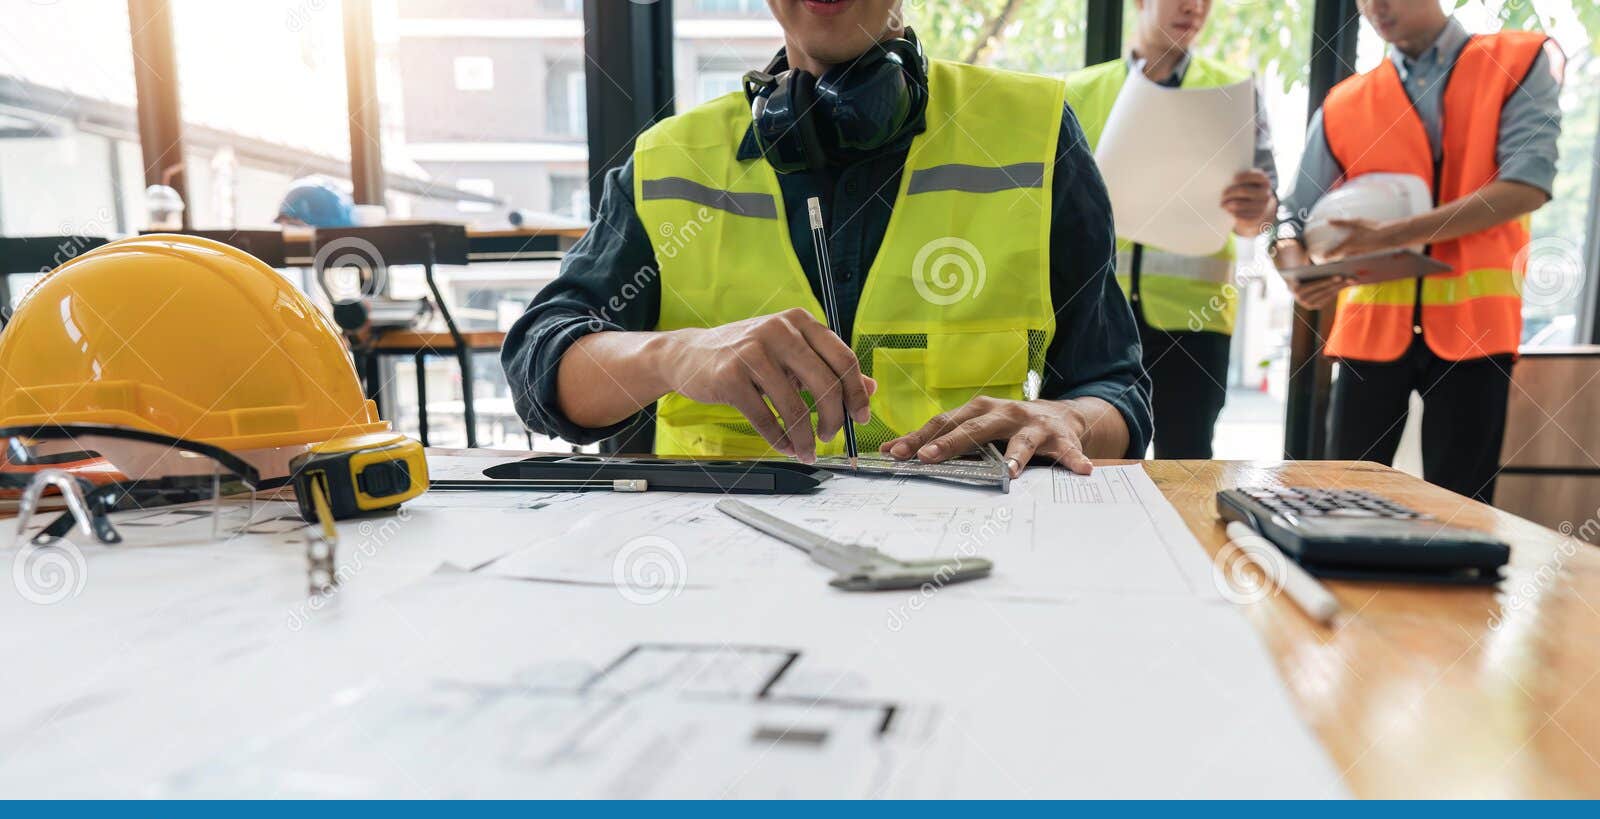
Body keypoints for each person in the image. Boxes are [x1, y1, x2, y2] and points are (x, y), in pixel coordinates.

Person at [501, 0, 1151, 476]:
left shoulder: (1032, 132)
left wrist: (1067, 421)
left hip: (961, 565)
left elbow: (1117, 393)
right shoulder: (672, 160)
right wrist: (676, 355)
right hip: (719, 576)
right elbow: (539, 370)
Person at [1273, 0, 1563, 502]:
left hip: (1476, 333)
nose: (1374, 7)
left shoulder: (1517, 61)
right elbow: (1293, 217)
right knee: (1339, 503)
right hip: (1371, 333)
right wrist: (1294, 268)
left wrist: (1388, 235)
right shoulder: (1345, 102)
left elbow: (1526, 185)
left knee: (1465, 512)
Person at [1064, 0, 1278, 459]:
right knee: (1091, 465)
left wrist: (1255, 210)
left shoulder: (1236, 92)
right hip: (1095, 320)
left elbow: (1259, 222)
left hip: (1194, 323)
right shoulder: (1077, 91)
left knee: (1188, 468)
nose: (1193, 7)